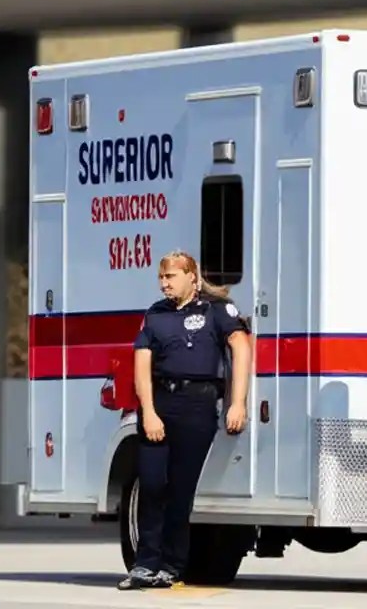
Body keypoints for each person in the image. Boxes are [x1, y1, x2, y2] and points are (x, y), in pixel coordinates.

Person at [118, 250, 252, 590]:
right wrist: (147, 411)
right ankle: (144, 564)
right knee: (151, 484)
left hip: (198, 405)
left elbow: (241, 346)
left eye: (171, 277)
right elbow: (142, 365)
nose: (165, 284)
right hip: (161, 401)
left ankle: (172, 566)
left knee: (180, 490)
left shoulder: (216, 310)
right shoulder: (155, 315)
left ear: (192, 277)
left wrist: (237, 402)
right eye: (161, 278)